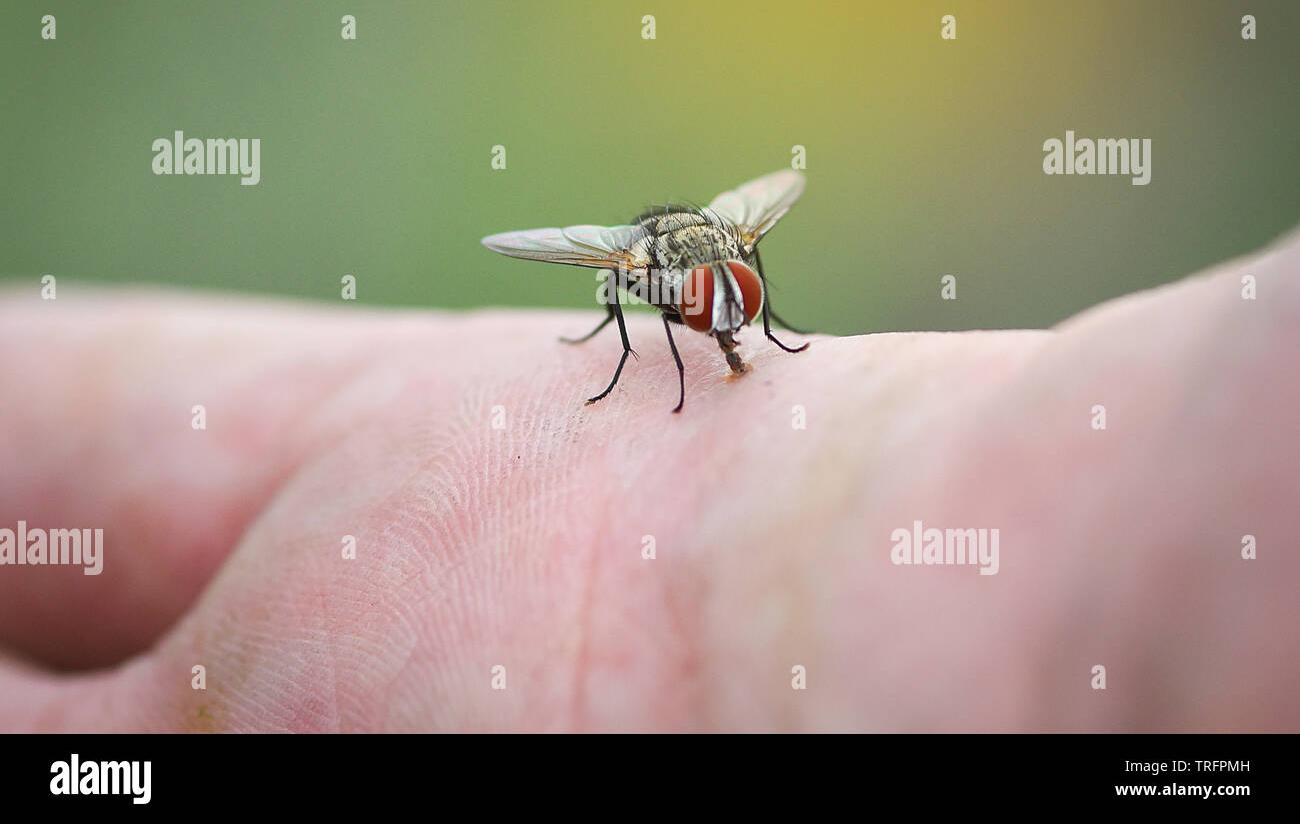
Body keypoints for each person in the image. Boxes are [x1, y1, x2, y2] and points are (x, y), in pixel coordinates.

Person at [0, 229, 1296, 731]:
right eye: (718, 302)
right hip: (635, 269)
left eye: (735, 297)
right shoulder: (641, 282)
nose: (726, 313)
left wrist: (758, 331)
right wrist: (653, 348)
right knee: (625, 313)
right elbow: (641, 295)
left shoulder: (735, 268)